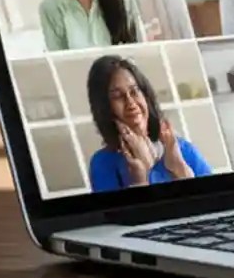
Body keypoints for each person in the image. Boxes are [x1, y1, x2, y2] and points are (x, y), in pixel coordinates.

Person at [86, 55, 213, 192]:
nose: (131, 103)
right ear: (105, 108)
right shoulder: (103, 164)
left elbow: (216, 204)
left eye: (134, 91)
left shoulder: (181, 149)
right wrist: (141, 180)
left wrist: (179, 167)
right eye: (118, 96)